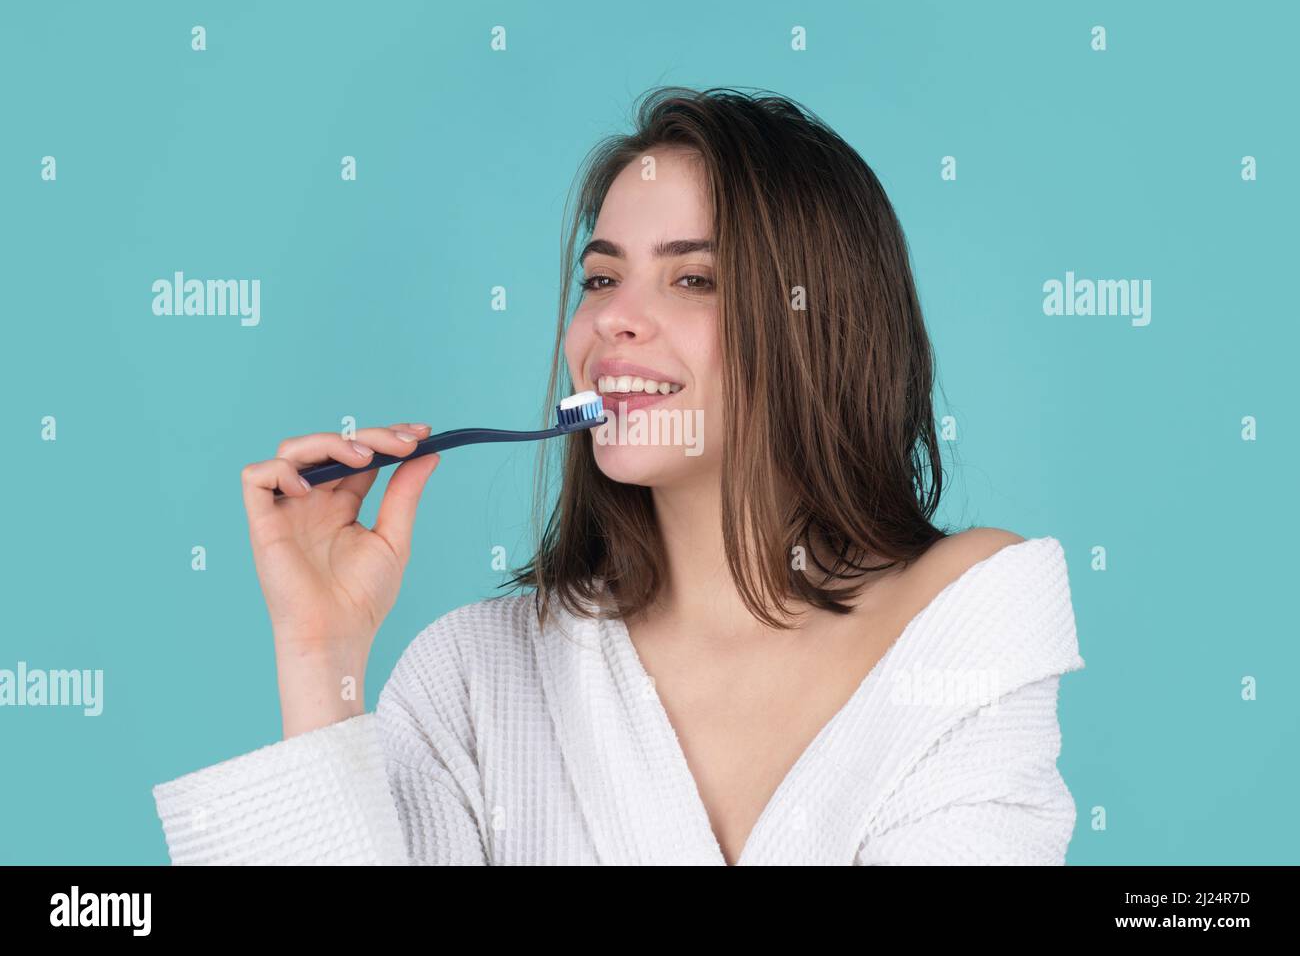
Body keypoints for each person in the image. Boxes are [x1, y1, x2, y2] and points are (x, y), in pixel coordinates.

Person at [152, 87, 1085, 865]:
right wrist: (318, 654)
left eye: (694, 279)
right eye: (600, 280)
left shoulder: (960, 620)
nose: (612, 320)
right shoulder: (476, 676)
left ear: (822, 323)